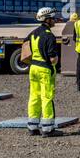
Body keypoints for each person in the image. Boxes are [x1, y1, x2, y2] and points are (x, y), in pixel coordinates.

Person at [27, 7, 63, 135]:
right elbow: (52, 59)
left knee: (34, 97)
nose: (55, 20)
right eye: (53, 18)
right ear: (47, 20)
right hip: (44, 69)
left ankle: (32, 127)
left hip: (33, 68)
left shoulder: (33, 33)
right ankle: (48, 129)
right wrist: (57, 59)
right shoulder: (49, 36)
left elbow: (25, 47)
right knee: (47, 97)